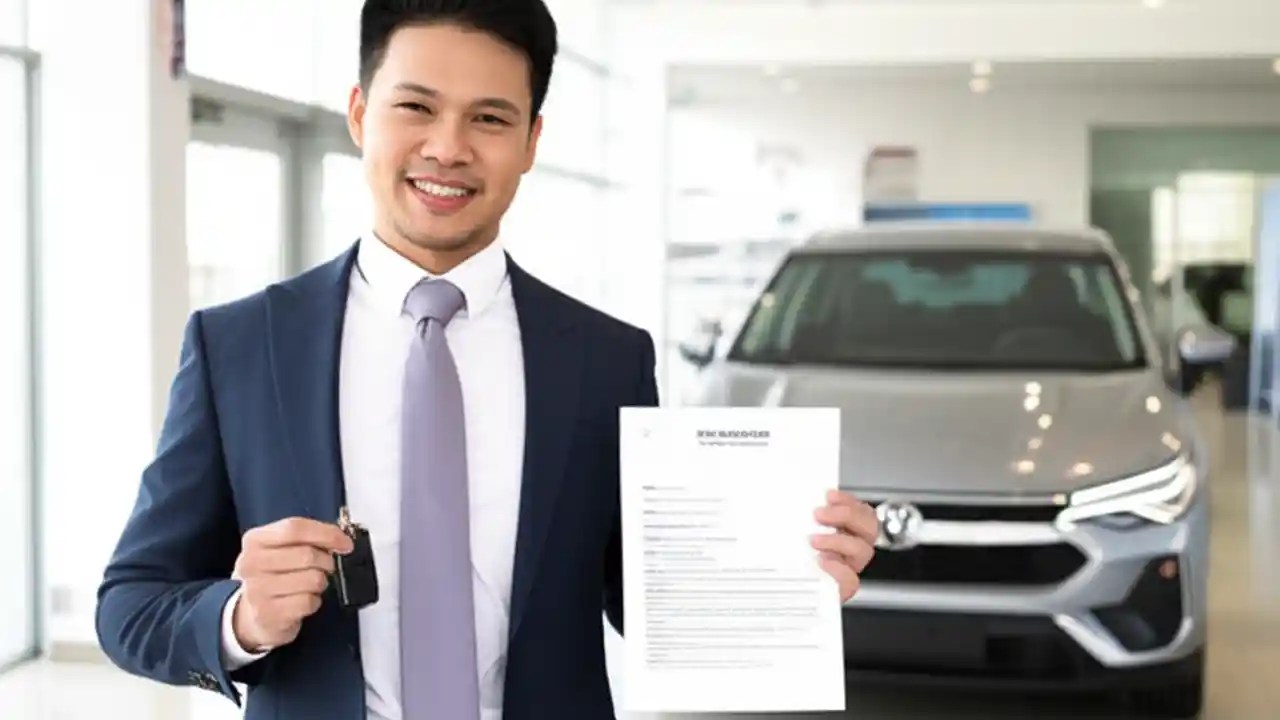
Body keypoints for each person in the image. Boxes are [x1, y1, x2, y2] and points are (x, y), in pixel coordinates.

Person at [94, 1, 880, 718]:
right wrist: (240, 619)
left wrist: (789, 577)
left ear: (532, 141)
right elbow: (130, 604)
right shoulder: (239, 346)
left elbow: (643, 597)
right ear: (361, 113)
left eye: (490, 119)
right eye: (416, 107)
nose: (448, 148)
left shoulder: (606, 359)